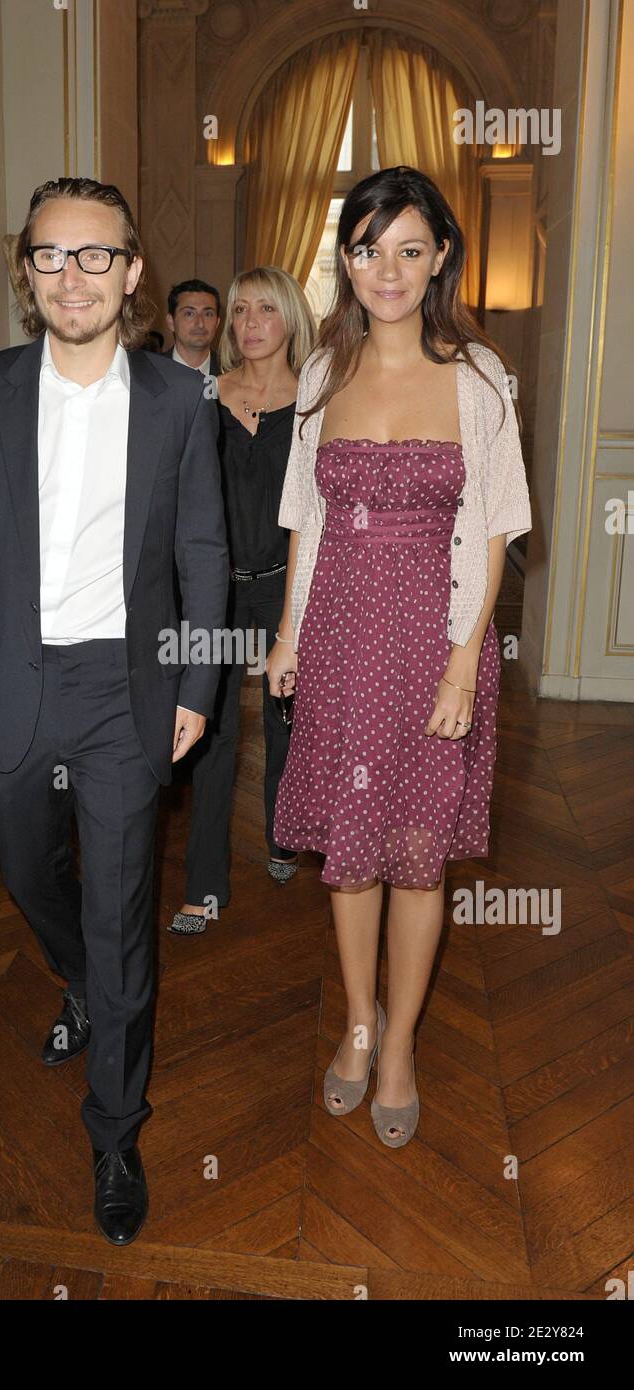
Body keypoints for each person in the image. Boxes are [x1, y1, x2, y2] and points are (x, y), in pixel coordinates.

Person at [0, 176, 230, 1243]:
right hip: (14, 687)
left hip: (127, 692)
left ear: (133, 273)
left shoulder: (179, 399)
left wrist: (198, 682)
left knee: (123, 914)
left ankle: (115, 1132)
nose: (71, 276)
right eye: (49, 256)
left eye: (94, 256)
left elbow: (203, 550)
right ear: (24, 271)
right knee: (31, 875)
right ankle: (75, 979)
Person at [267, 166, 531, 1147]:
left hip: (432, 642)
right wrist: (289, 631)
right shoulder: (319, 376)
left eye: (409, 249)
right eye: (369, 247)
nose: (388, 269)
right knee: (348, 852)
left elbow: (498, 528)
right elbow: (304, 517)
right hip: (337, 632)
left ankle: (400, 1045)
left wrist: (465, 662)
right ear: (345, 257)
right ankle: (357, 1020)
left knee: (417, 856)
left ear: (440, 260)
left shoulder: (478, 378)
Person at [169, 267, 316, 934]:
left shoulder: (318, 401)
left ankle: (283, 833)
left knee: (288, 721)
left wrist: (295, 613)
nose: (248, 323)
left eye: (263, 309)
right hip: (214, 596)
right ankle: (204, 882)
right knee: (212, 734)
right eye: (238, 311)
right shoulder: (202, 395)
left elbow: (316, 514)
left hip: (288, 586)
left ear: (289, 318)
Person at [167, 278, 221, 377]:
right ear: (171, 322)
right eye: (189, 314)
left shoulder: (232, 373)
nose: (200, 323)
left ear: (217, 323)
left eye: (208, 314)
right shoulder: (148, 373)